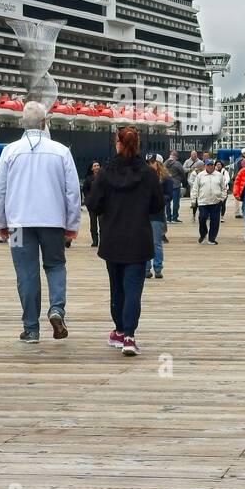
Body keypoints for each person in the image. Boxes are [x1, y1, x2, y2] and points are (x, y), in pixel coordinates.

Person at [0, 102, 81, 343]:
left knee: (26, 273)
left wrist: (1, 223)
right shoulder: (61, 151)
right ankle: (56, 309)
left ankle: (31, 329)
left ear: (22, 123)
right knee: (55, 266)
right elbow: (72, 192)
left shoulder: (9, 151)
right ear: (45, 123)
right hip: (53, 222)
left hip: (18, 224)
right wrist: (71, 225)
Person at [87, 126, 163, 357]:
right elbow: (157, 205)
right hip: (138, 238)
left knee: (116, 287)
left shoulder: (105, 172)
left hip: (112, 238)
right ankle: (129, 336)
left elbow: (93, 204)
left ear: (118, 144)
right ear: (137, 144)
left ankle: (119, 330)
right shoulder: (148, 173)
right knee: (133, 289)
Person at [191, 158, 226, 244]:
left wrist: (222, 198)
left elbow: (224, 188)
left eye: (211, 165)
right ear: (205, 166)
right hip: (203, 202)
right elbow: (195, 188)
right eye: (208, 165)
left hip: (216, 202)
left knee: (215, 221)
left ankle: (212, 238)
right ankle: (203, 234)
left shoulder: (219, 175)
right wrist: (193, 200)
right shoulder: (200, 176)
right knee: (202, 219)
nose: (210, 166)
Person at [146, 160, 171, 279]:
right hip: (144, 214)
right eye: (148, 162)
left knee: (156, 242)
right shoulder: (143, 178)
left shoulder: (165, 179)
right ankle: (146, 268)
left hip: (157, 214)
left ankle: (157, 268)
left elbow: (169, 195)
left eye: (152, 162)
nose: (150, 165)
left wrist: (158, 200)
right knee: (144, 242)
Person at [82, 161, 102, 246]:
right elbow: (85, 190)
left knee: (102, 223)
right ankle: (95, 241)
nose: (97, 167)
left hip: (102, 204)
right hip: (92, 204)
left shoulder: (104, 177)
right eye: (95, 166)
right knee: (93, 224)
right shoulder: (88, 179)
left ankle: (103, 241)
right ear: (92, 168)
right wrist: (88, 199)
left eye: (98, 165)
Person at [165, 150, 187, 223]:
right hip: (176, 185)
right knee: (175, 202)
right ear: (176, 157)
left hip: (167, 185)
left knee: (167, 202)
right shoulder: (177, 164)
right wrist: (181, 180)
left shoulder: (164, 163)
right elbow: (182, 173)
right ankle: (174, 218)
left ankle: (168, 218)